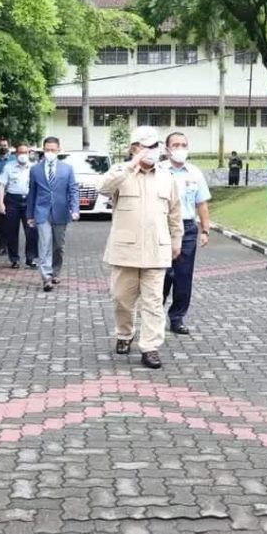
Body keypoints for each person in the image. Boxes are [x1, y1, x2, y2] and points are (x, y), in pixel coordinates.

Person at [101, 126, 182, 369]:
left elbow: (175, 213)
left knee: (153, 301)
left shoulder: (167, 177)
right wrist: (130, 164)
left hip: (157, 250)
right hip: (125, 249)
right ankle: (125, 334)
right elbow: (103, 187)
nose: (152, 151)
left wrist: (177, 238)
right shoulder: (120, 173)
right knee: (122, 299)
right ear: (134, 148)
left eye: (155, 146)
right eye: (146, 146)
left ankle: (150, 347)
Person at [160, 132, 212, 334]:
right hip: (163, 227)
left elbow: (202, 203)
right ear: (167, 149)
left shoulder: (195, 172)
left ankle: (177, 318)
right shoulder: (159, 170)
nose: (180, 148)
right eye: (176, 144)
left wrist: (205, 230)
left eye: (183, 144)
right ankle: (155, 314)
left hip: (188, 228)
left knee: (183, 276)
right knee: (162, 274)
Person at [26, 137, 79, 291]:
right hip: (42, 212)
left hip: (61, 212)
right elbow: (32, 193)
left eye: (53, 150)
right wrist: (30, 215)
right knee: (44, 244)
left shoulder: (67, 169)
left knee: (58, 245)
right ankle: (46, 277)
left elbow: (73, 190)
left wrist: (75, 209)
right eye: (47, 149)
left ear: (58, 150)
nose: (49, 152)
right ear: (43, 149)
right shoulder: (35, 169)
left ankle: (56, 272)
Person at [0, 142, 38, 269]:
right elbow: (2, 185)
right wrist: (1, 203)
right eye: (20, 152)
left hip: (29, 202)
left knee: (31, 231)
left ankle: (30, 258)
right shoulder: (9, 167)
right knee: (11, 232)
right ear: (16, 154)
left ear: (29, 153)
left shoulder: (34, 167)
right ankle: (14, 259)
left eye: (25, 152)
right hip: (12, 201)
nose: (23, 155)